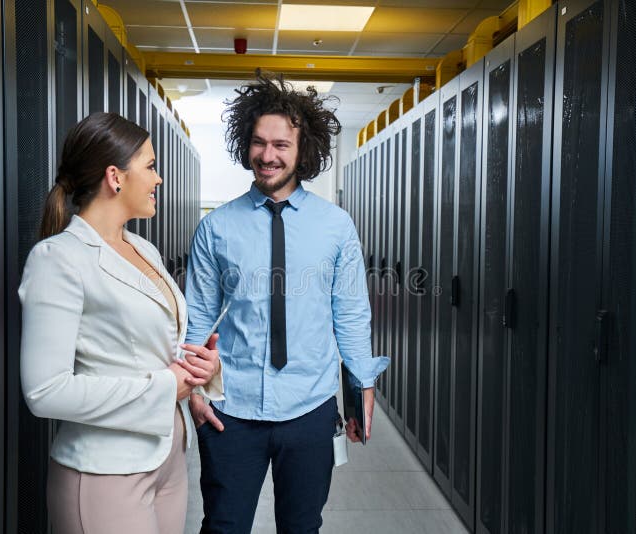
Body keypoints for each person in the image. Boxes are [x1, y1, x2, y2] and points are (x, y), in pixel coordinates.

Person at [184, 74, 389, 533]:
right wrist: (193, 395)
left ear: (303, 150)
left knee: (301, 527)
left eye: (280, 144)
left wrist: (360, 392)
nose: (268, 155)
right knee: (223, 526)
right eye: (258, 143)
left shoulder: (336, 226)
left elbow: (351, 314)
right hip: (230, 410)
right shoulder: (217, 227)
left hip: (310, 408)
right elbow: (196, 316)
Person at [19, 112, 223, 534]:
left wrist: (199, 375)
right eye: (150, 166)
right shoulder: (58, 258)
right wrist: (169, 385)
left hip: (168, 458)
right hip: (105, 469)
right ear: (115, 177)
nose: (159, 179)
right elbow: (45, 391)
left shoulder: (142, 248)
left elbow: (154, 348)